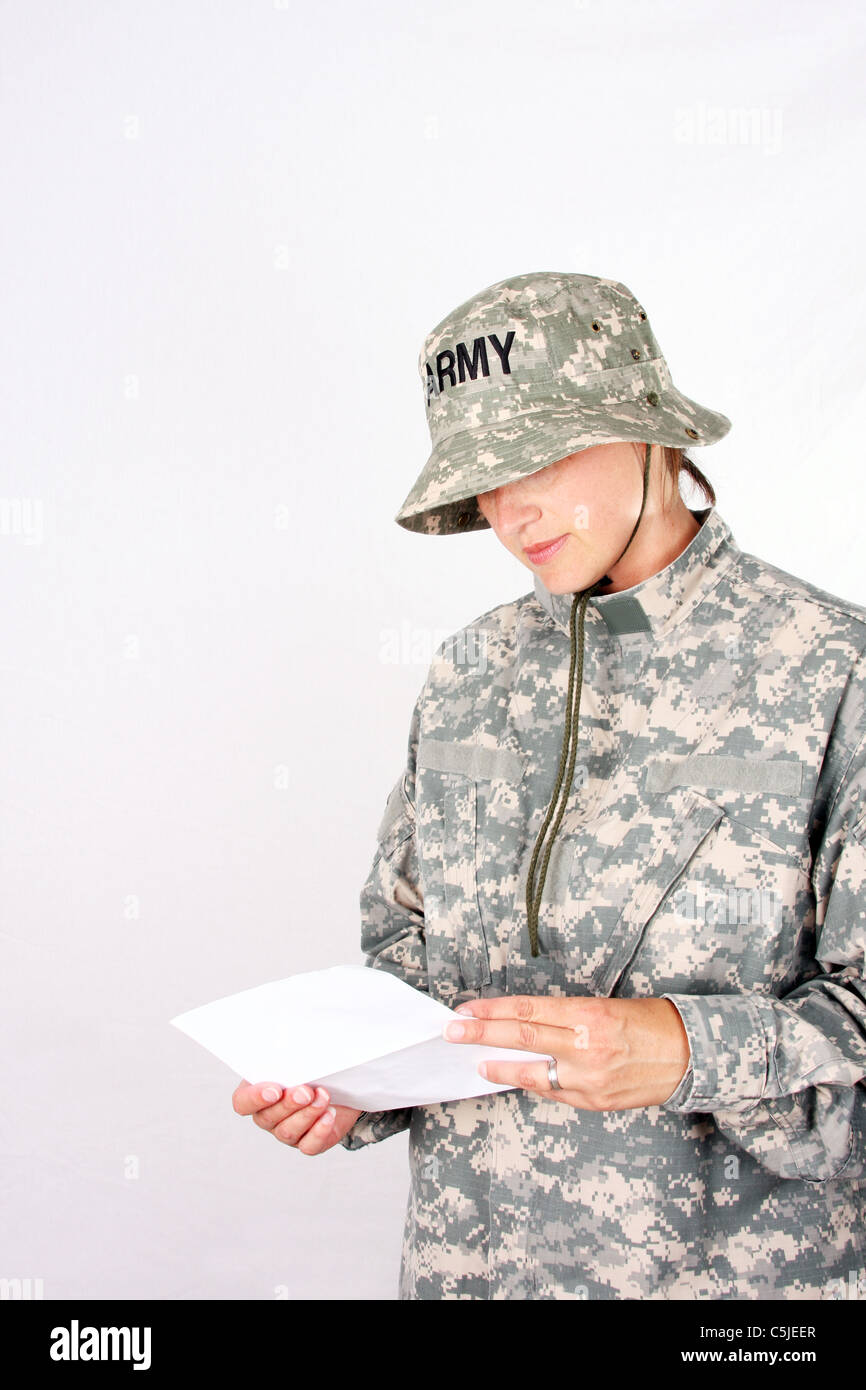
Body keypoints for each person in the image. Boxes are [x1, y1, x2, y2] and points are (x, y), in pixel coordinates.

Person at [233, 271, 866, 1300]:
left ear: (649, 428)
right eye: (482, 477)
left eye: (540, 456)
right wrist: (358, 1085)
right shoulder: (466, 673)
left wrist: (679, 1045)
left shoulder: (831, 670)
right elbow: (404, 958)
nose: (509, 509)